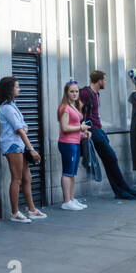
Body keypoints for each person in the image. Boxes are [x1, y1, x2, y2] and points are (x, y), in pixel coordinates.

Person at [79, 70, 136, 200]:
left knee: (110, 160)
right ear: (99, 81)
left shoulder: (96, 94)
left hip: (99, 130)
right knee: (112, 158)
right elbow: (77, 109)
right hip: (92, 131)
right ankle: (124, 189)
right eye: (104, 80)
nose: (105, 82)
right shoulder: (86, 92)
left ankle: (122, 191)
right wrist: (82, 128)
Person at [0, 76, 45, 221]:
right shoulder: (6, 108)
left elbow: (24, 127)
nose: (19, 89)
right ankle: (15, 213)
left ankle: (32, 209)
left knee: (27, 178)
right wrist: (31, 149)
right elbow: (19, 129)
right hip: (13, 146)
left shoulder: (12, 106)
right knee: (16, 178)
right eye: (17, 87)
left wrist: (22, 129)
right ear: (9, 89)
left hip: (19, 145)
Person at [58, 80, 90, 211]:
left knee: (72, 173)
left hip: (75, 143)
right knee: (67, 172)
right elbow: (64, 128)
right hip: (67, 144)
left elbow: (74, 128)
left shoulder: (74, 107)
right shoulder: (65, 108)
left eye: (76, 91)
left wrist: (83, 134)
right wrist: (80, 127)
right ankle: (66, 201)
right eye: (72, 91)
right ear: (66, 92)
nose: (75, 94)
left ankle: (71, 199)